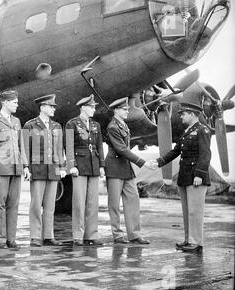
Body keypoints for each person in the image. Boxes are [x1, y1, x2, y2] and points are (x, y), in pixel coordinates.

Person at [153, 102, 211, 253]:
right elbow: (175, 151)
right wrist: (159, 162)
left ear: (192, 114)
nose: (181, 117)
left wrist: (199, 174)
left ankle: (196, 242)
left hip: (196, 177)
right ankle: (188, 240)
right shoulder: (186, 132)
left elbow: (205, 154)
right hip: (185, 177)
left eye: (183, 114)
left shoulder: (202, 130)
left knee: (195, 211)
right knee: (187, 211)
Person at [105, 97, 154, 244]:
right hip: (114, 168)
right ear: (116, 111)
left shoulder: (124, 125)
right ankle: (118, 235)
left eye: (127, 109)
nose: (127, 111)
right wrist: (142, 163)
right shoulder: (112, 127)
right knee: (114, 204)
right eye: (124, 109)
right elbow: (121, 149)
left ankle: (134, 234)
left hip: (126, 167)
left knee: (133, 200)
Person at [0, 90, 30, 249]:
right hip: (1, 168)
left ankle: (11, 239)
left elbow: (21, 146)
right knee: (0, 204)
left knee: (14, 204)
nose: (17, 104)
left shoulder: (17, 121)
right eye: (14, 102)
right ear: (4, 102)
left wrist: (25, 166)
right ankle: (1, 239)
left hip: (16, 168)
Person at [23, 94, 66, 247]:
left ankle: (48, 236)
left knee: (50, 205)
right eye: (51, 106)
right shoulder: (30, 125)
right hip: (38, 169)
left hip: (53, 169)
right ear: (42, 107)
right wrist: (26, 167)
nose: (54, 109)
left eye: (54, 106)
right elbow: (25, 149)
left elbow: (60, 149)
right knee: (36, 204)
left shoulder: (56, 126)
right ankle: (35, 236)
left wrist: (62, 166)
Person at [65, 94, 105, 246]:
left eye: (94, 107)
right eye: (91, 107)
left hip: (93, 165)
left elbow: (99, 146)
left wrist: (101, 165)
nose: (94, 109)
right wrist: (71, 165)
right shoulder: (71, 124)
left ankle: (91, 235)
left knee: (92, 203)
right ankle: (78, 236)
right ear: (83, 108)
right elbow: (68, 146)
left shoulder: (96, 125)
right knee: (79, 203)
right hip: (79, 166)